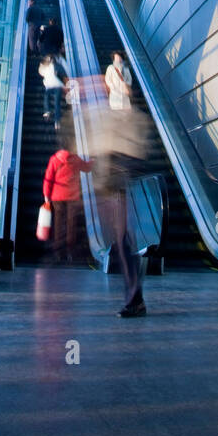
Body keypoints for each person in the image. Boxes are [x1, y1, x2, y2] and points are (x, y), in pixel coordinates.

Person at [92, 103, 150, 317]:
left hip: (120, 191)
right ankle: (136, 299)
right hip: (112, 190)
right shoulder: (112, 127)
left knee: (125, 242)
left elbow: (136, 156)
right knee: (124, 244)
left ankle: (135, 300)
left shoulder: (130, 122)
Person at [41, 138, 93, 264]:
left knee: (58, 223)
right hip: (72, 197)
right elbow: (87, 168)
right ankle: (70, 252)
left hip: (57, 198)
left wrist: (46, 195)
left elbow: (48, 179)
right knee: (71, 224)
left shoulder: (54, 159)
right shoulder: (75, 159)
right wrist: (93, 161)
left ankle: (58, 252)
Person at [38, 53, 67, 129]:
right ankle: (54, 118)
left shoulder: (55, 66)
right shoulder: (49, 67)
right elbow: (40, 72)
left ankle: (50, 113)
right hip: (55, 86)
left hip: (56, 86)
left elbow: (63, 72)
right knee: (52, 100)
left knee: (48, 97)